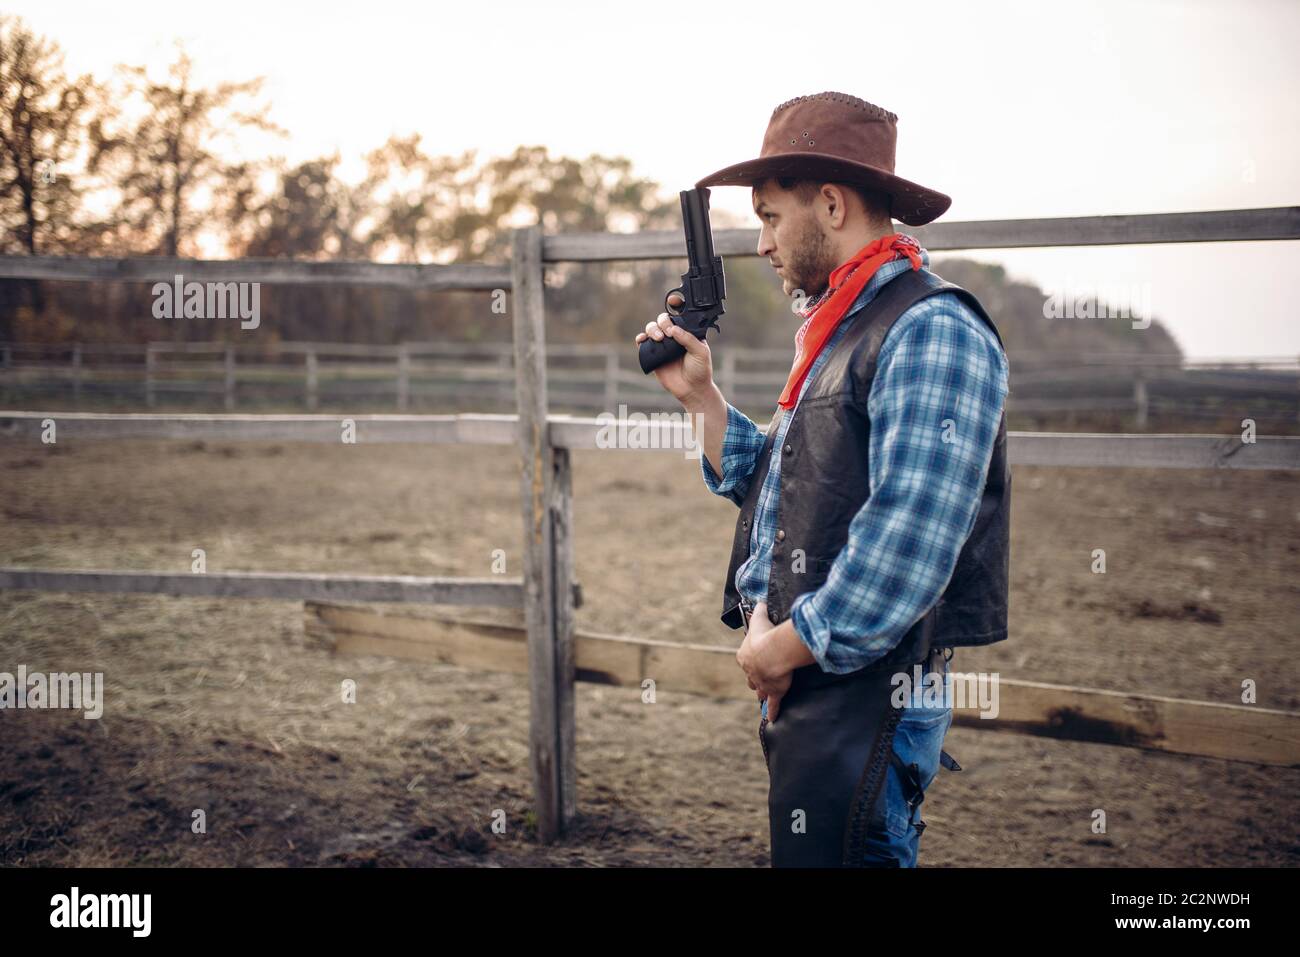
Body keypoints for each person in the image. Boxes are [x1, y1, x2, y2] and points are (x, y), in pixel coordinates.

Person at [635, 92, 1011, 867]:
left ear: (832, 204)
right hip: (824, 685)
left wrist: (789, 645)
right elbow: (787, 486)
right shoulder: (842, 329)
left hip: (865, 689)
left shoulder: (931, 329)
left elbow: (910, 537)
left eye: (771, 217)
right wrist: (701, 398)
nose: (763, 244)